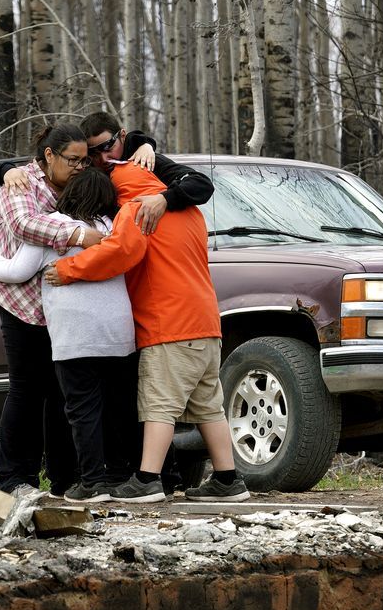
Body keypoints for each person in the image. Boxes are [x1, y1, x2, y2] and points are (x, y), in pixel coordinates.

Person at [44, 161, 250, 504]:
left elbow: (121, 252)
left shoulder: (136, 210)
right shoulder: (190, 213)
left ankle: (147, 480)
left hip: (168, 324)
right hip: (206, 322)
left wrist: (68, 269)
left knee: (159, 404)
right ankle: (228, 480)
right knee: (208, 405)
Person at [0, 168, 137, 503]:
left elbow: (18, 270)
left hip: (75, 334)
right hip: (119, 332)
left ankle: (91, 481)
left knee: (81, 408)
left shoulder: (56, 228)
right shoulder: (113, 226)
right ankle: (118, 474)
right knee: (116, 405)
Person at [0, 111, 214, 235]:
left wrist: (164, 199)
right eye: (93, 153)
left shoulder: (144, 161)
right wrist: (4, 171)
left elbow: (202, 184)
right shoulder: (82, 171)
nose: (103, 157)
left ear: (123, 136)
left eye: (108, 146)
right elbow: (42, 169)